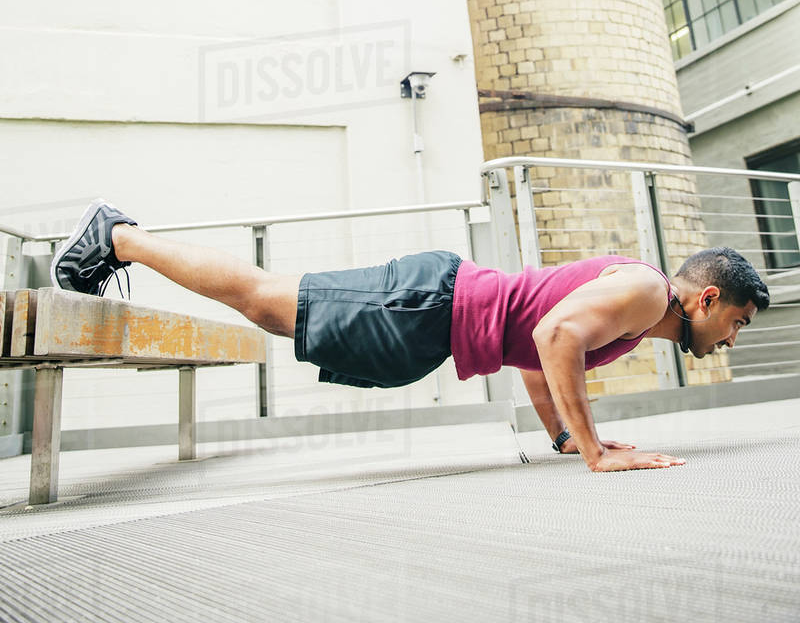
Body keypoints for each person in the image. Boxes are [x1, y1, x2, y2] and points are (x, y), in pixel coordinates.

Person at [51, 199, 769, 474]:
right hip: (429, 306)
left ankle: (121, 239)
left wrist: (561, 436)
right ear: (705, 299)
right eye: (735, 322)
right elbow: (555, 338)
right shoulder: (645, 291)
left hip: (432, 322)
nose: (730, 338)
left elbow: (533, 353)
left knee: (270, 309)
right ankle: (120, 237)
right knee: (269, 303)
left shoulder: (640, 310)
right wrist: (592, 454)